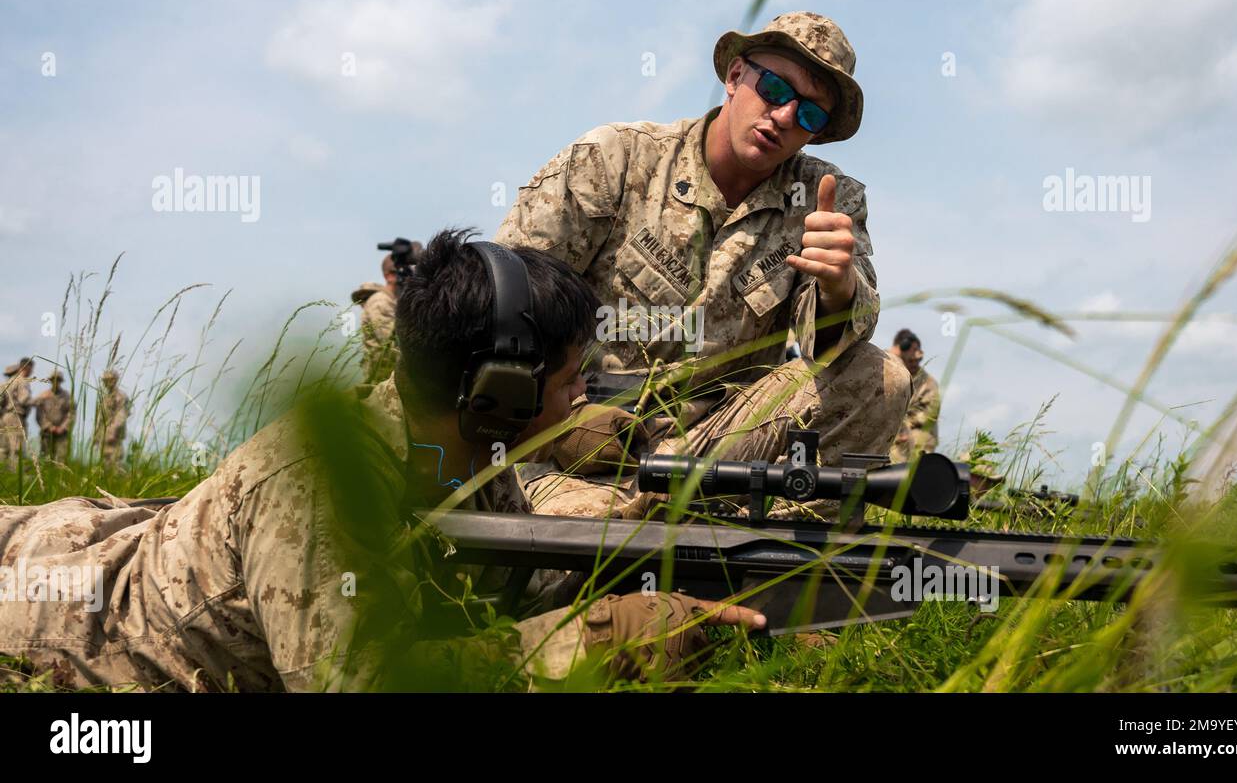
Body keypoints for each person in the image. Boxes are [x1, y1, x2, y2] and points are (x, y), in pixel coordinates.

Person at [0, 230, 761, 692]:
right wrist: (607, 636)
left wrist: (661, 569)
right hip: (49, 603)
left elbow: (499, 599)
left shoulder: (469, 453)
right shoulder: (312, 481)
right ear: (497, 390)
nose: (580, 401)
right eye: (569, 381)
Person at [495, 11, 911, 519]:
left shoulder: (825, 201)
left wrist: (839, 289)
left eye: (809, 115)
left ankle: (792, 567)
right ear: (735, 76)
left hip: (718, 456)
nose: (783, 117)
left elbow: (830, 349)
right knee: (590, 563)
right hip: (570, 459)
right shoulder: (616, 160)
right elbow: (505, 306)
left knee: (879, 376)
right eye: (776, 89)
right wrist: (565, 422)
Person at [351, 245, 419, 387]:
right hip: (381, 380)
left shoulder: (393, 300)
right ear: (389, 276)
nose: (409, 276)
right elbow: (393, 342)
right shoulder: (381, 302)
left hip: (392, 376)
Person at [888, 329, 941, 463]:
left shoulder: (928, 382)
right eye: (910, 360)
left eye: (917, 360)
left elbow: (930, 413)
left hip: (918, 438)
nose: (914, 363)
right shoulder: (891, 369)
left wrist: (905, 424)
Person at [34, 368, 75, 464]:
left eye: (58, 380)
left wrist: (62, 427)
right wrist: (49, 427)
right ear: (51, 381)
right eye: (54, 380)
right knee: (46, 458)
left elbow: (71, 414)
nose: (56, 382)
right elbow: (39, 414)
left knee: (62, 459)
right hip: (47, 433)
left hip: (62, 434)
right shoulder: (43, 396)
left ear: (61, 381)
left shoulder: (67, 396)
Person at [0, 358, 34, 471]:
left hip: (4, 417)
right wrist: (38, 401)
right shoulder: (22, 381)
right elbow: (24, 399)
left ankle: (4, 473)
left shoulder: (6, 383)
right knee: (16, 447)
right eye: (31, 368)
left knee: (4, 447)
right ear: (26, 367)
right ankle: (16, 473)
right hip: (16, 416)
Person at [93, 369, 129, 470]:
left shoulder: (120, 396)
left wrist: (111, 432)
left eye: (108, 380)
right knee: (105, 465)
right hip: (103, 436)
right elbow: (101, 419)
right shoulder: (105, 398)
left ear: (114, 380)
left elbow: (120, 416)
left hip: (114, 437)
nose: (105, 383)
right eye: (104, 381)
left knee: (115, 464)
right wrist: (97, 436)